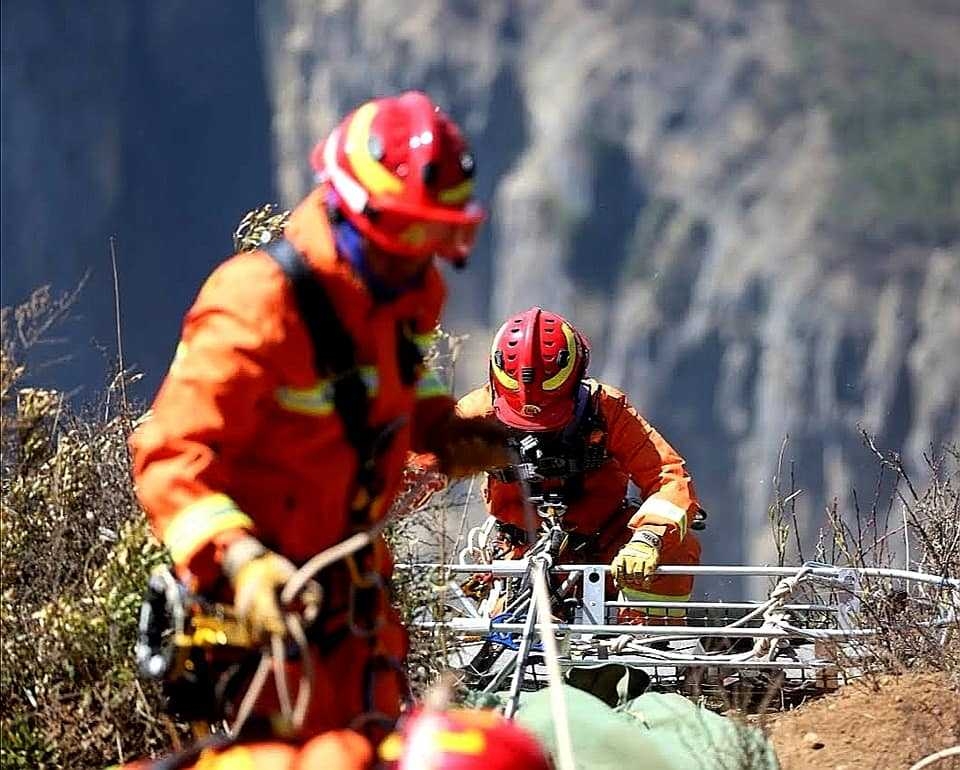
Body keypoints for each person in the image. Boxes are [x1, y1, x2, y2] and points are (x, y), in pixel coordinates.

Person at [129, 91, 511, 743]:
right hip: (258, 615)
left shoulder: (409, 291)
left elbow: (393, 378)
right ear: (354, 210)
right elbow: (168, 457)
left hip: (354, 607)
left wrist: (441, 428)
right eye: (410, 232)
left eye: (435, 234)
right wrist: (240, 560)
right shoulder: (257, 305)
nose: (421, 253)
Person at [456, 306, 703, 622]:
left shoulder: (607, 411)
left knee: (676, 548)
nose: (538, 430)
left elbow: (668, 475)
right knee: (503, 635)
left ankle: (650, 642)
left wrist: (647, 539)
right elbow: (417, 468)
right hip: (521, 554)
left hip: (609, 549)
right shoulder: (475, 416)